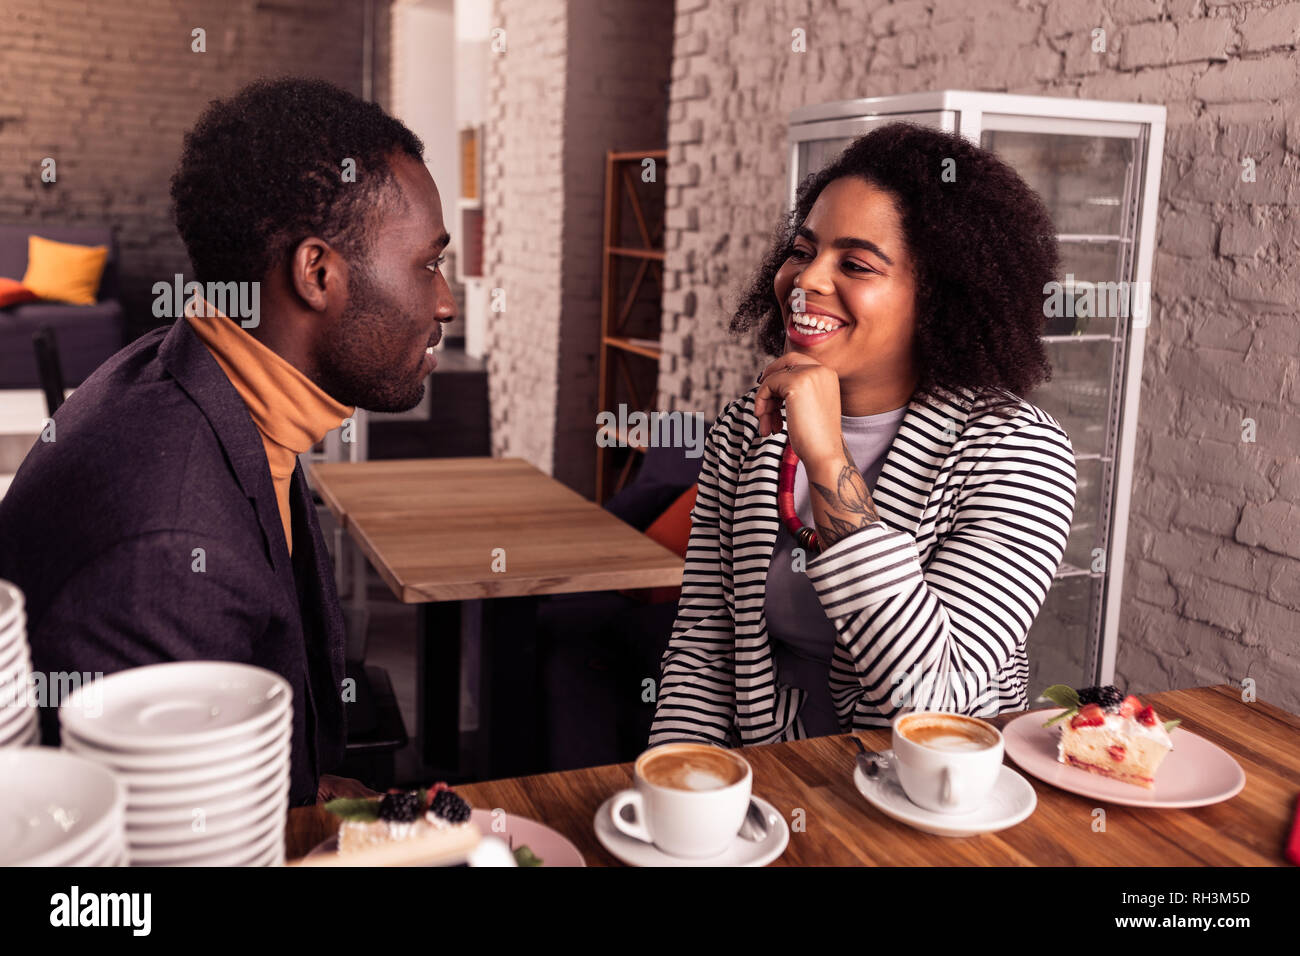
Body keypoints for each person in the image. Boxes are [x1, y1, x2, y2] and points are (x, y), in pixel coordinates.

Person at [0, 77, 456, 805]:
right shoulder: (168, 546)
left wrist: (304, 792)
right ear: (317, 273)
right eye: (429, 262)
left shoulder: (207, 378)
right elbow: (161, 841)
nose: (446, 301)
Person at [649, 123, 1078, 747]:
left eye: (855, 264)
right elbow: (704, 645)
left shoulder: (1018, 452)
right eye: (802, 250)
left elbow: (929, 697)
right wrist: (682, 789)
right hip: (772, 768)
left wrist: (826, 458)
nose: (807, 281)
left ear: (938, 298)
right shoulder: (748, 425)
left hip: (930, 787)